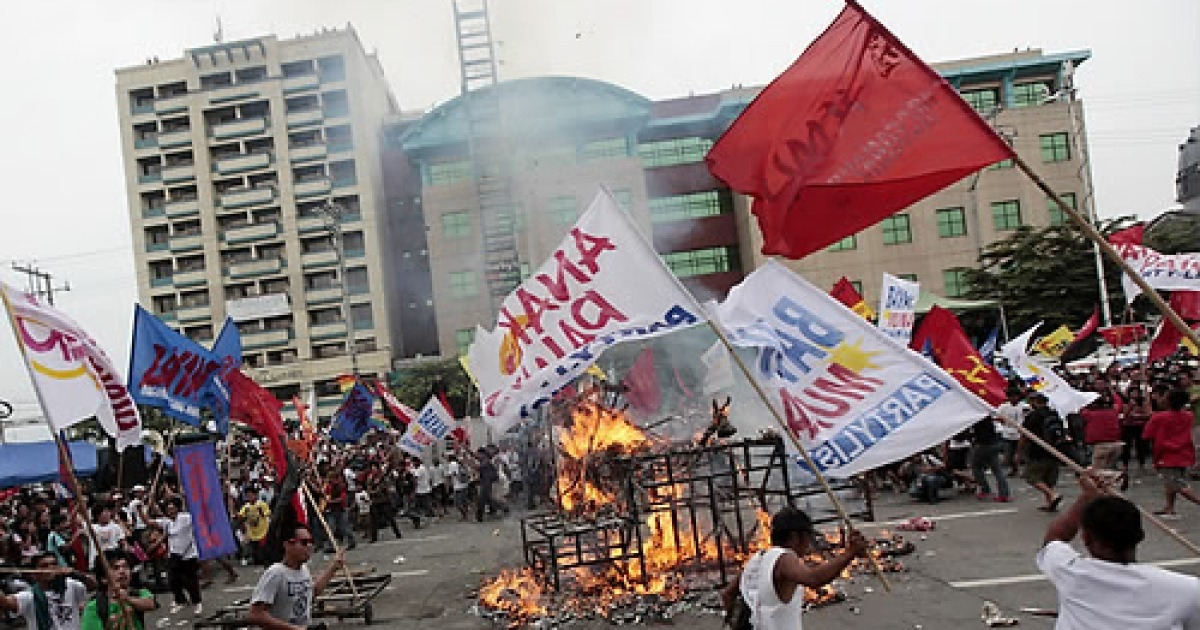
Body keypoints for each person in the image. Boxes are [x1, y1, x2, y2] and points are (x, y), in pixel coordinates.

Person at [1037, 470, 1200, 629]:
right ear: (1140, 536)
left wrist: (1086, 497)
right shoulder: (1187, 589)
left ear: (1086, 538)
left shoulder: (1070, 573)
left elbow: (1054, 539)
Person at [720, 507, 868, 630]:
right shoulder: (784, 557)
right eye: (808, 537)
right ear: (795, 536)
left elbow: (728, 594)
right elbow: (813, 579)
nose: (809, 544)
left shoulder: (758, 559)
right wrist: (850, 553)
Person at [248, 524, 345, 630]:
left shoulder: (303, 569)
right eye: (304, 542)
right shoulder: (275, 573)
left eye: (311, 542)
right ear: (287, 544)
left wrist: (333, 568)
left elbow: (311, 593)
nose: (309, 546)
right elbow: (256, 614)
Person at [1142, 389, 1200, 519]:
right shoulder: (1188, 415)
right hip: (1184, 451)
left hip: (1167, 453)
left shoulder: (1159, 417)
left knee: (1177, 484)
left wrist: (1150, 417)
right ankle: (1169, 507)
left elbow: (1147, 434)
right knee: (1171, 482)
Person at [0, 551, 93, 630]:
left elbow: (93, 585)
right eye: (44, 565)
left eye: (54, 564)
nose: (51, 568)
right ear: (34, 574)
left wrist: (75, 574)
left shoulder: (71, 585)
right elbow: (5, 602)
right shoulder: (30, 596)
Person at [140, 497, 201, 615]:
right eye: (168, 509)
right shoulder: (166, 522)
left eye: (173, 509)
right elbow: (148, 522)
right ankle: (181, 600)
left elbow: (198, 516)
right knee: (174, 580)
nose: (171, 511)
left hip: (188, 554)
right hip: (174, 555)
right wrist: (139, 511)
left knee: (191, 581)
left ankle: (197, 602)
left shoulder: (185, 518)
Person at [80, 550, 156, 630]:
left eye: (125, 566)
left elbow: (151, 604)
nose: (122, 571)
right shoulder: (94, 607)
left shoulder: (137, 593)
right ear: (104, 579)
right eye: (115, 568)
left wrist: (128, 599)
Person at [1020, 393, 1066, 512]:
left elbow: (1024, 434)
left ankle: (1052, 494)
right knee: (1048, 478)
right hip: (1055, 449)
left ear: (1035, 402)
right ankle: (1050, 502)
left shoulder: (1033, 416)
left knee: (1031, 476)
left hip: (1038, 450)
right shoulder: (1054, 414)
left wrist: (1019, 452)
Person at [970, 415, 1010, 502]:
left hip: (983, 444)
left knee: (976, 467)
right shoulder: (987, 416)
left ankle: (985, 489)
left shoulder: (976, 417)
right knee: (997, 470)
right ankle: (1004, 494)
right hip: (994, 443)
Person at [994, 389, 1029, 476]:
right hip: (1007, 433)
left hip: (1020, 433)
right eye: (1011, 396)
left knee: (1021, 453)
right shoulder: (1003, 407)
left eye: (1015, 396)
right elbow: (996, 417)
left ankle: (1022, 470)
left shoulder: (1024, 406)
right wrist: (1001, 420)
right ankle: (1014, 469)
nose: (1013, 398)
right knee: (1009, 455)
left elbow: (1028, 416)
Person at [237, 488, 271, 566]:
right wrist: (241, 516)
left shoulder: (262, 504)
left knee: (262, 549)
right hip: (252, 532)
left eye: (251, 495)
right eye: (248, 495)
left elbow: (267, 513)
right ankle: (255, 560)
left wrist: (261, 512)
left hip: (262, 530)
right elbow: (240, 516)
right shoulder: (246, 506)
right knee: (254, 549)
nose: (250, 497)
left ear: (255, 495)